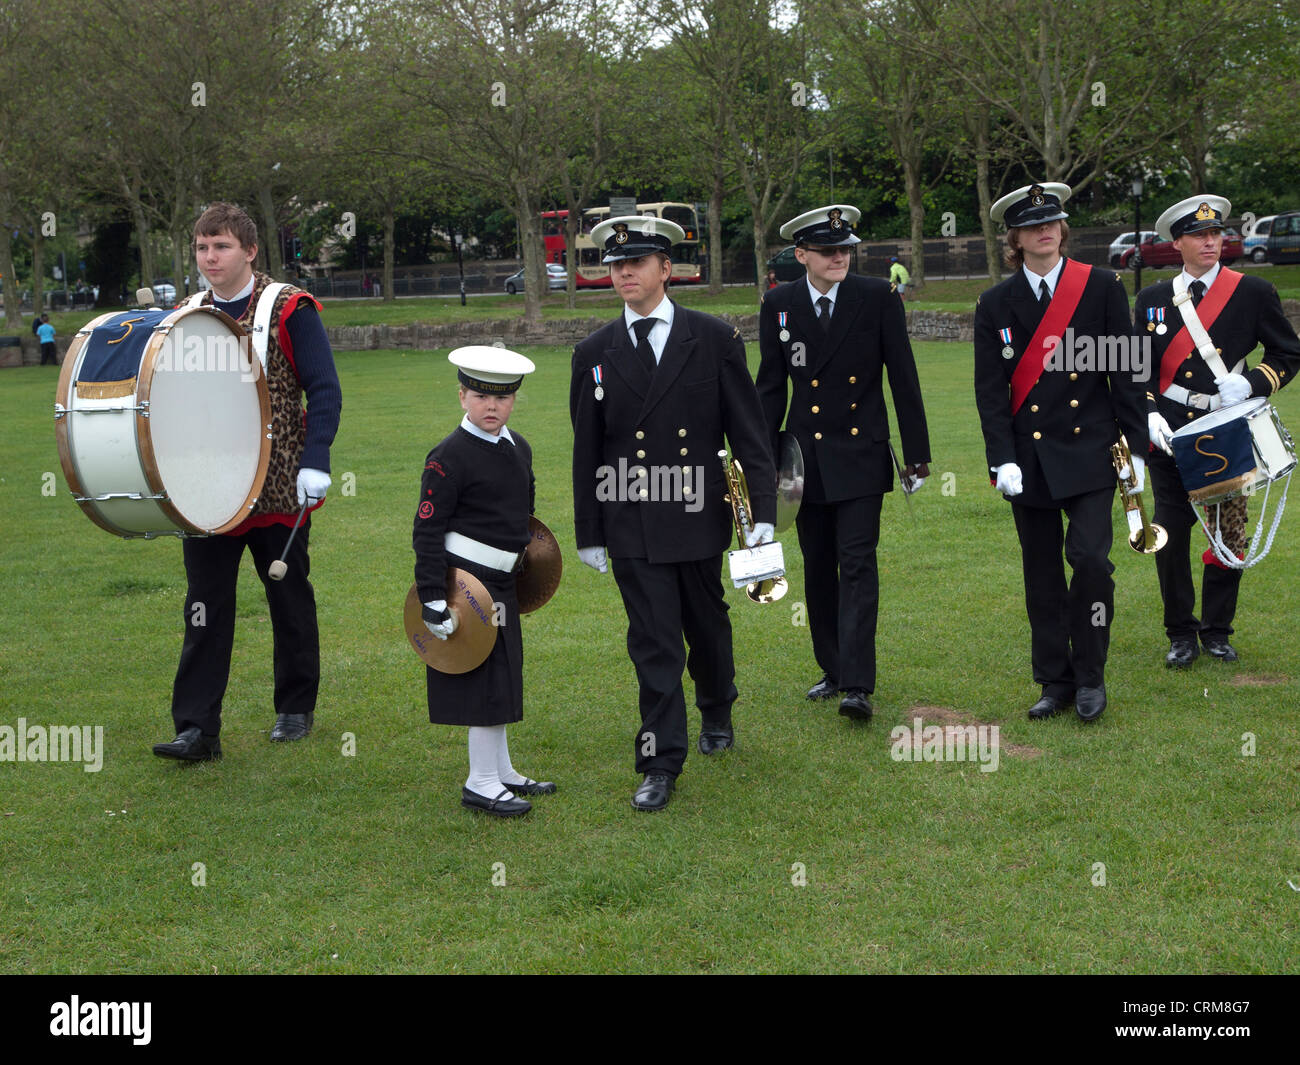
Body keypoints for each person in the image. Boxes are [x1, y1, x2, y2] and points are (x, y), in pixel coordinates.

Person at [570, 215, 776, 811]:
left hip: (697, 512)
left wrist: (759, 506)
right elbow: (587, 447)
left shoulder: (714, 338)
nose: (625, 273)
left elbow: (748, 429)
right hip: (631, 518)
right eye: (615, 265)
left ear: (667, 269)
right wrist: (590, 529)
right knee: (653, 641)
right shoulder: (594, 352)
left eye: (637, 262)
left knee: (706, 626)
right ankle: (660, 761)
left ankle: (717, 706)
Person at [153, 202, 342, 762]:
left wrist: (318, 458)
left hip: (280, 482)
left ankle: (294, 706)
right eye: (202, 248)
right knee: (204, 605)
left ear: (250, 251)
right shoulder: (185, 314)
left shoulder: (289, 308)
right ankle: (196, 727)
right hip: (207, 486)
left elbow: (324, 388)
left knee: (288, 597)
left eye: (222, 246)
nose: (210, 258)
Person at [973, 182, 1147, 722]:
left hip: (1092, 451)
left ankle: (1091, 675)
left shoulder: (1100, 286)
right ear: (1016, 238)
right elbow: (989, 389)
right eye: (1032, 225)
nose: (1045, 230)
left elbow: (1127, 369)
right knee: (1041, 574)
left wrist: (1136, 450)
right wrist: (1002, 458)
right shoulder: (995, 302)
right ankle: (1055, 680)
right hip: (1031, 459)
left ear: (1062, 229)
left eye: (1052, 221)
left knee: (1092, 562)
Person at [757, 204, 931, 721]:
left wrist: (917, 458)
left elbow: (903, 377)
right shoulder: (780, 304)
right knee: (818, 568)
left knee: (857, 563)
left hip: (861, 454)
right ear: (802, 255)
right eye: (828, 251)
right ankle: (832, 669)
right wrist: (760, 457)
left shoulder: (877, 297)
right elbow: (769, 387)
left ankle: (858, 683)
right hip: (804, 461)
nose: (840, 258)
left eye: (846, 249)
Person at [1136, 195, 1300, 667]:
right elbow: (1137, 367)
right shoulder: (1152, 300)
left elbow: (1288, 355)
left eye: (1216, 234)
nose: (1210, 242)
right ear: (1177, 243)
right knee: (1169, 534)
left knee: (1228, 533)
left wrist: (1249, 383)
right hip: (1170, 431)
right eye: (1199, 236)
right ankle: (1180, 634)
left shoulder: (1253, 292)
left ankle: (1217, 630)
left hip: (1225, 429)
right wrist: (1148, 412)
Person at [414, 346, 553, 818]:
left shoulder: (520, 448)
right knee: (482, 681)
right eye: (479, 396)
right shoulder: (448, 456)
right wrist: (433, 597)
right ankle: (481, 782)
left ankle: (503, 770)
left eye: (502, 398)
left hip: (504, 584)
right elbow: (428, 529)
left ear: (514, 400)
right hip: (467, 587)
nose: (491, 407)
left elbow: (525, 516)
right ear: (462, 397)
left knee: (505, 676)